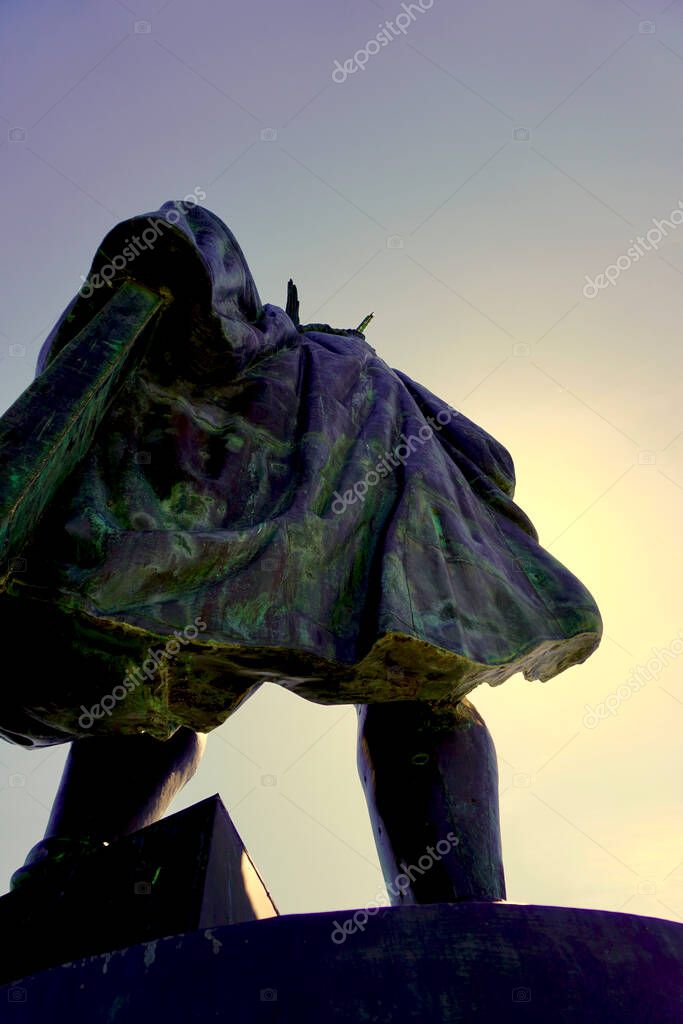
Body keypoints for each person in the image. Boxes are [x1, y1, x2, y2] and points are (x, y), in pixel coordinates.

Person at [1, 202, 602, 899]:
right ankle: (459, 913)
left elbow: (481, 457)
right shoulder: (335, 376)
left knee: (180, 676)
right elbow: (484, 457)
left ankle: (68, 865)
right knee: (402, 684)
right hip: (327, 514)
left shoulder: (342, 380)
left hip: (330, 509)